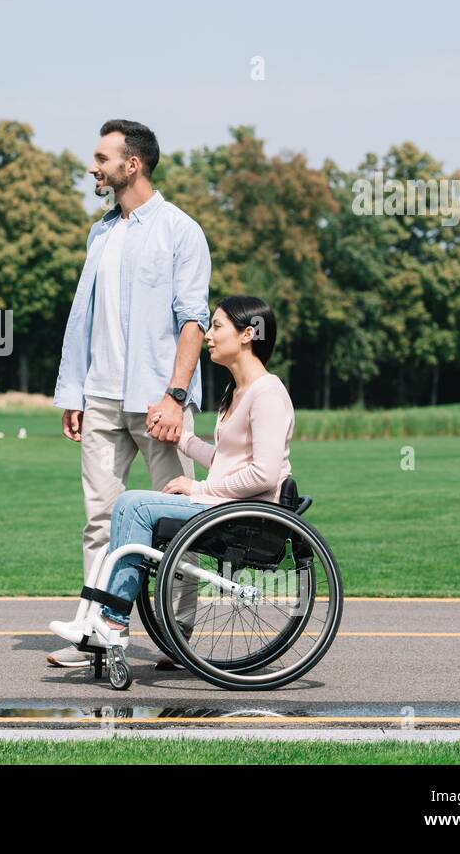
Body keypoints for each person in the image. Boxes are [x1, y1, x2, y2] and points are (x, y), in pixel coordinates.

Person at [48, 119, 211, 668]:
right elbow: (85, 320)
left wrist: (175, 395)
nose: (93, 167)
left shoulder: (180, 231)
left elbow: (193, 322)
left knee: (177, 519)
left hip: (159, 401)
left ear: (131, 164)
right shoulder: (100, 232)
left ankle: (180, 634)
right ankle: (95, 629)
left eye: (101, 158)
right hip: (100, 398)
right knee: (100, 519)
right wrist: (74, 391)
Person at [50, 295, 294, 656]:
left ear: (247, 334)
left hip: (246, 514)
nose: (208, 336)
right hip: (224, 505)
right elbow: (227, 461)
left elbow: (264, 474)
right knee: (127, 504)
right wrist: (182, 438)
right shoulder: (237, 392)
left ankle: (112, 619)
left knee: (133, 505)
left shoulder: (268, 393)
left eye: (216, 326)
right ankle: (105, 616)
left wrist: (198, 487)